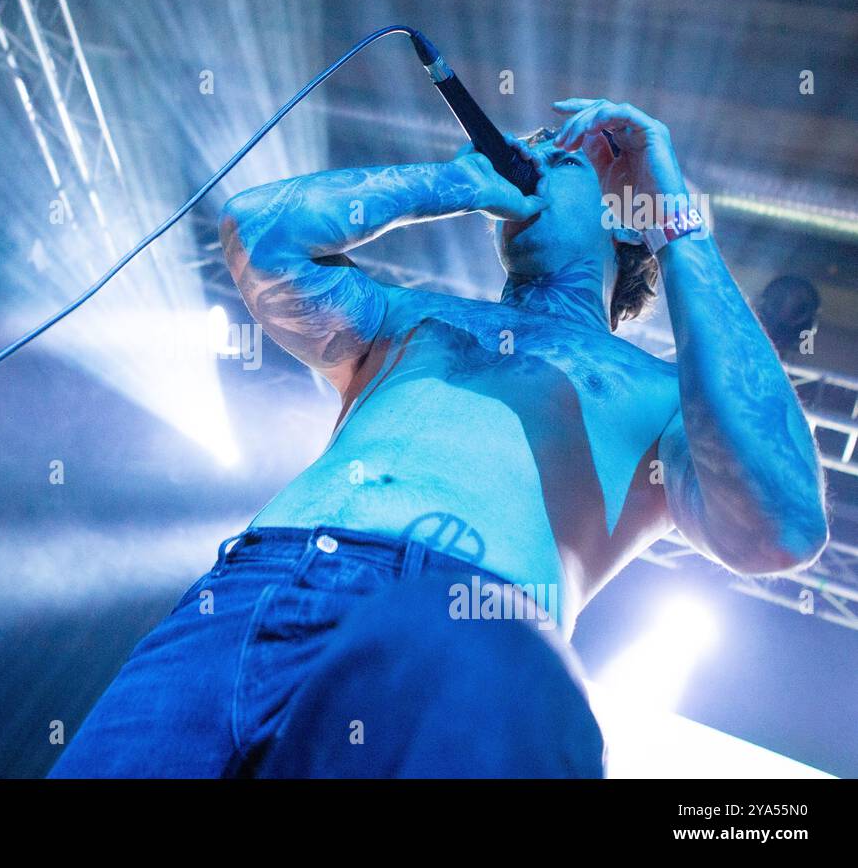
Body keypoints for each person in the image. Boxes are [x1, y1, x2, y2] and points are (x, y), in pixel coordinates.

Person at [48, 98, 829, 777]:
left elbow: (782, 521)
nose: (536, 153)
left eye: (565, 158)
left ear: (620, 220)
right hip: (250, 593)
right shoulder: (410, 319)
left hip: (472, 621)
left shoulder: (658, 391)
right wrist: (453, 183)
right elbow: (258, 230)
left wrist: (672, 215)